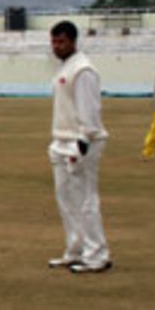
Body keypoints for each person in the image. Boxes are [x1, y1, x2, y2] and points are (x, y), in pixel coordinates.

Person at [47, 20, 112, 274]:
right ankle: (75, 250)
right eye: (53, 42)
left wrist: (84, 140)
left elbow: (90, 109)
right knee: (66, 201)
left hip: (81, 142)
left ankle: (97, 255)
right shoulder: (65, 67)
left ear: (73, 42)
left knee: (85, 200)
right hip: (61, 141)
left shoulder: (83, 70)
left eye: (61, 42)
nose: (56, 46)